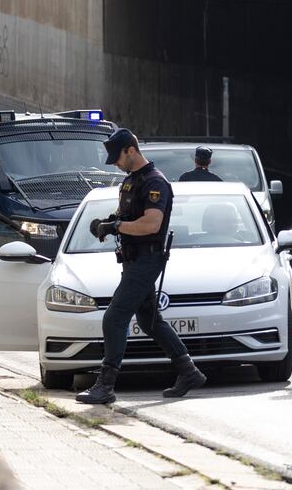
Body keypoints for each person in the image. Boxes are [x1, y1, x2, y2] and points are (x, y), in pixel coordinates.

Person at [77, 128, 206, 404]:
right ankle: (188, 371)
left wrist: (117, 226)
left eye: (117, 158)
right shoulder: (132, 181)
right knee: (149, 322)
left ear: (131, 150)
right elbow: (126, 215)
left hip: (146, 260)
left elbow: (152, 223)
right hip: (134, 259)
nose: (115, 163)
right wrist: (107, 224)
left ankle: (105, 385)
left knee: (114, 318)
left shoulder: (154, 182)